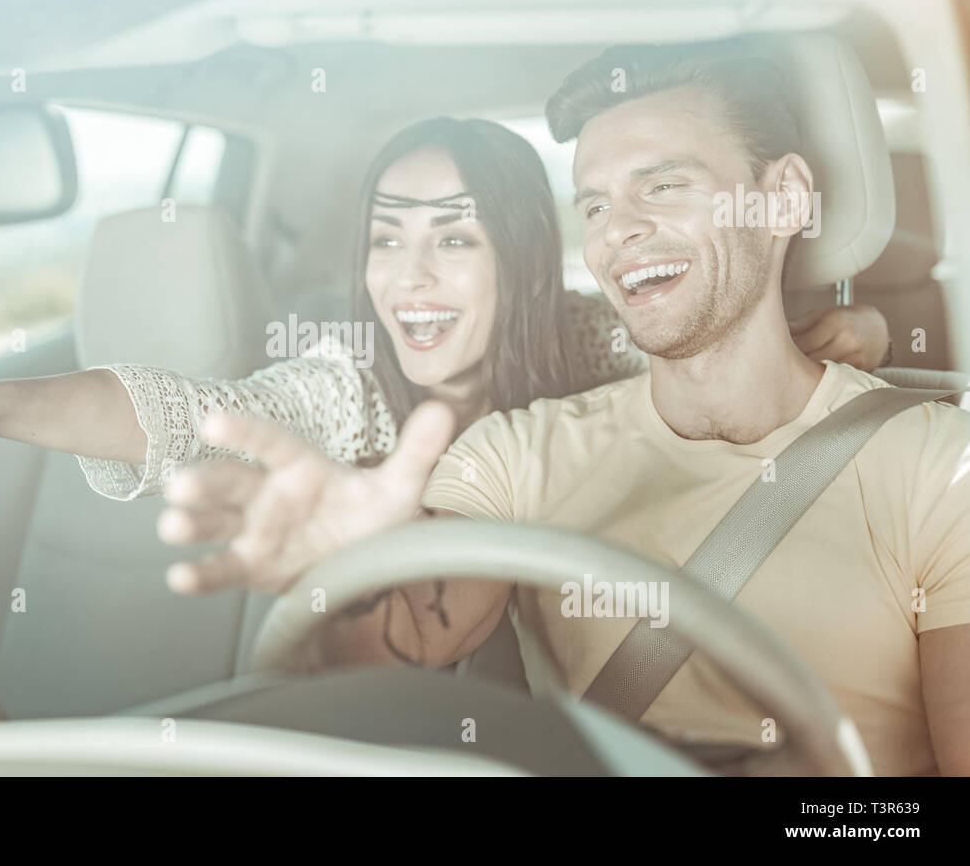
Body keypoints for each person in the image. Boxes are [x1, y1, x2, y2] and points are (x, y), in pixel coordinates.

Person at [157, 47, 970, 777]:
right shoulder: (513, 453)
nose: (621, 232)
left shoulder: (938, 463)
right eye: (596, 206)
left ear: (783, 198)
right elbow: (407, 644)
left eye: (663, 185)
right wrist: (347, 573)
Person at [0, 118, 889, 612]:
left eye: (453, 235)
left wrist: (846, 338)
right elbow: (180, 416)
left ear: (528, 255)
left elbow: (738, 338)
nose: (409, 277)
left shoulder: (598, 342)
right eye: (385, 236)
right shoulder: (342, 385)